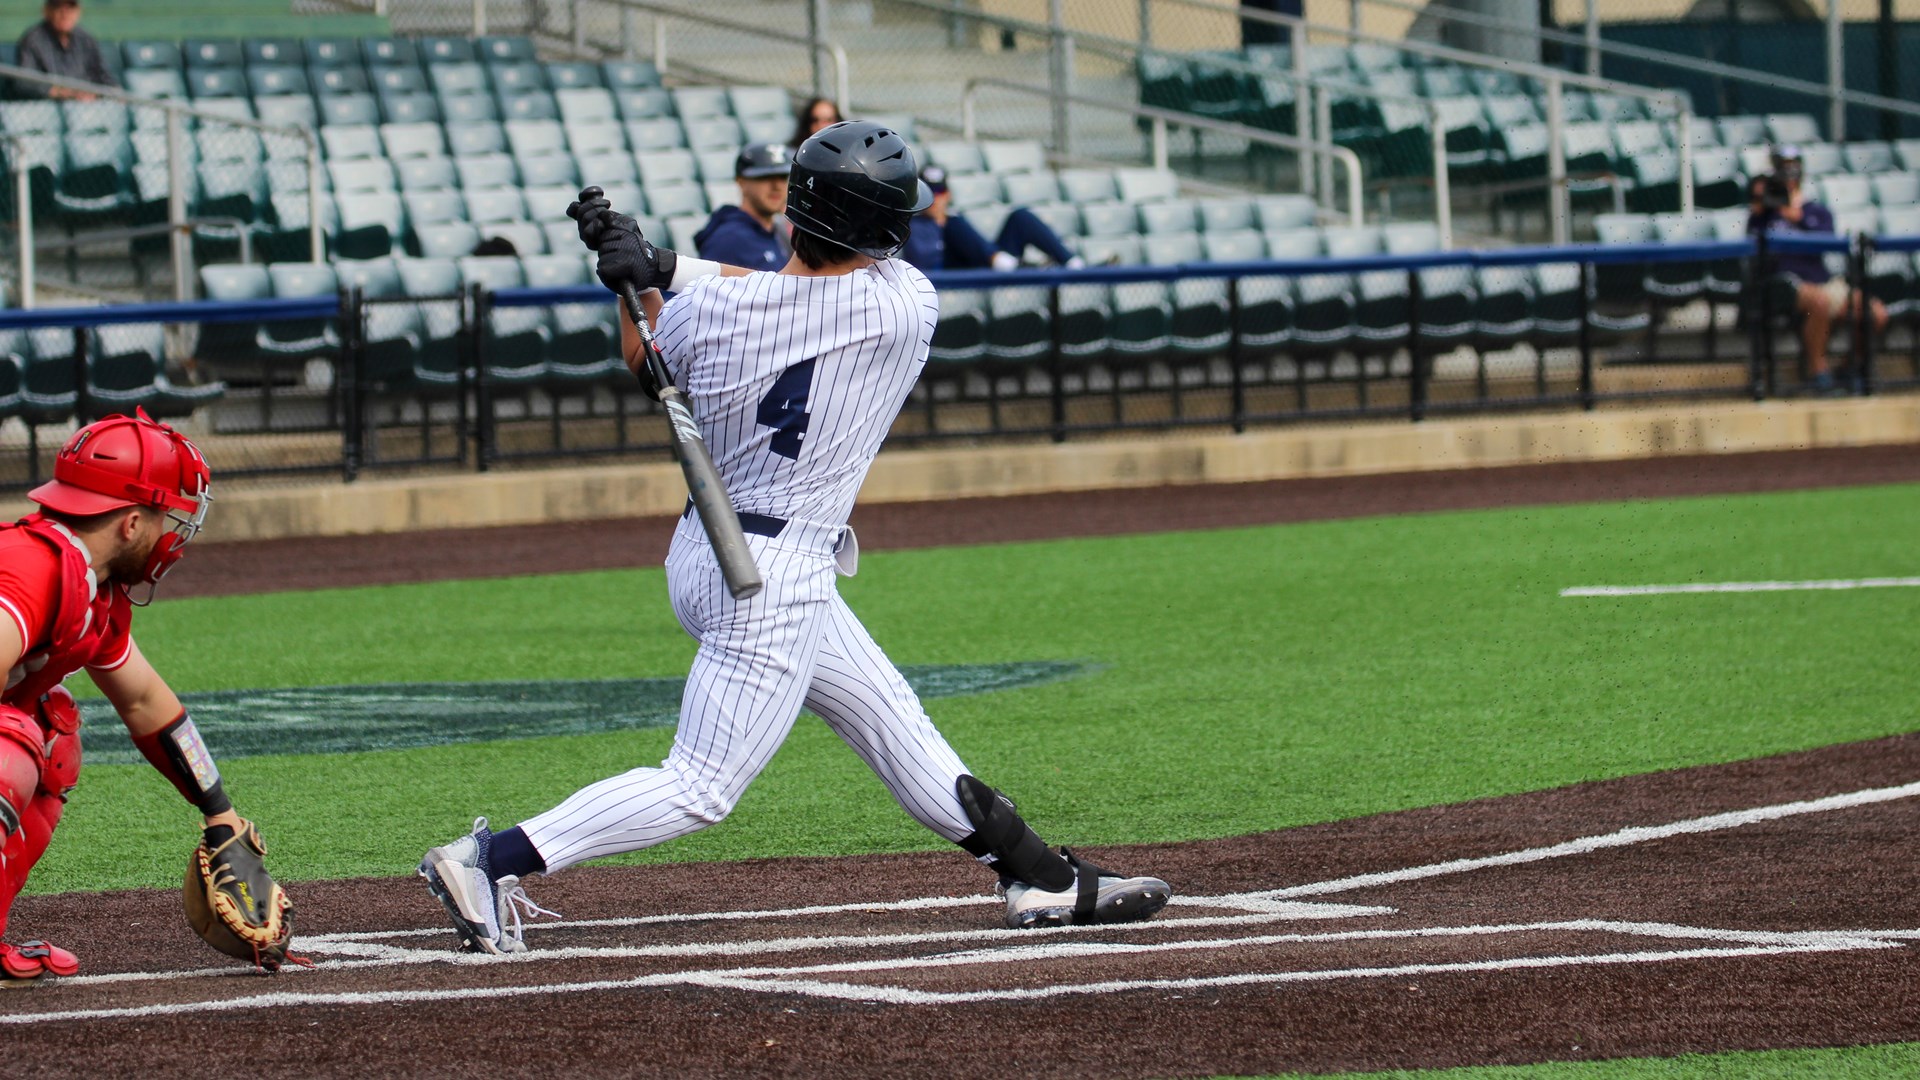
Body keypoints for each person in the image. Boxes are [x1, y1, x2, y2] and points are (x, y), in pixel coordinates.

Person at [419, 122, 1171, 955]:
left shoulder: (708, 308)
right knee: (701, 786)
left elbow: (647, 361)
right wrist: (661, 265)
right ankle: (488, 859)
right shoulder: (904, 304)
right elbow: (800, 290)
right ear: (882, 229)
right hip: (777, 573)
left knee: (895, 725)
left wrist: (634, 281)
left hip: (709, 552)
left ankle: (1044, 878)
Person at [0, 411, 272, 980]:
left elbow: (149, 705)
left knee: (52, 741)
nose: (172, 535)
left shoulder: (88, 587)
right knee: (14, 743)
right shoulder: (32, 568)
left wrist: (219, 811)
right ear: (129, 523)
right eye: (165, 515)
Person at [1748, 144, 1887, 393]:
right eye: (1783, 169)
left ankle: (1849, 367)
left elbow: (1827, 239)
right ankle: (1818, 372)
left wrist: (1797, 217)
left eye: (1793, 169)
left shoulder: (1816, 210)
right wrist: (1763, 204)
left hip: (1822, 280)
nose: (1789, 175)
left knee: (1875, 313)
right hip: (1784, 283)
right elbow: (1752, 238)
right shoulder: (1766, 211)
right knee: (1819, 302)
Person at [900, 164, 1085, 273]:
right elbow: (927, 261)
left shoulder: (951, 220)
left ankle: (1072, 263)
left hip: (984, 265)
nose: (935, 198)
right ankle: (1008, 263)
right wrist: (940, 228)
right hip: (959, 274)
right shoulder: (914, 225)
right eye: (929, 192)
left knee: (1021, 217)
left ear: (947, 194)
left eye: (939, 191)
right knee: (954, 224)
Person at [692, 142, 793, 271]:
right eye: (765, 177)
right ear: (741, 182)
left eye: (783, 177)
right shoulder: (729, 238)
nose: (776, 187)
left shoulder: (776, 231)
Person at [15, 0, 115, 101]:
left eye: (70, 8)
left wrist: (99, 93)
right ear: (46, 11)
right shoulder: (33, 40)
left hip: (90, 106)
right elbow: (25, 83)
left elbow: (104, 77)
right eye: (58, 7)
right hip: (51, 107)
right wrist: (63, 92)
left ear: (78, 12)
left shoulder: (85, 39)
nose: (64, 14)